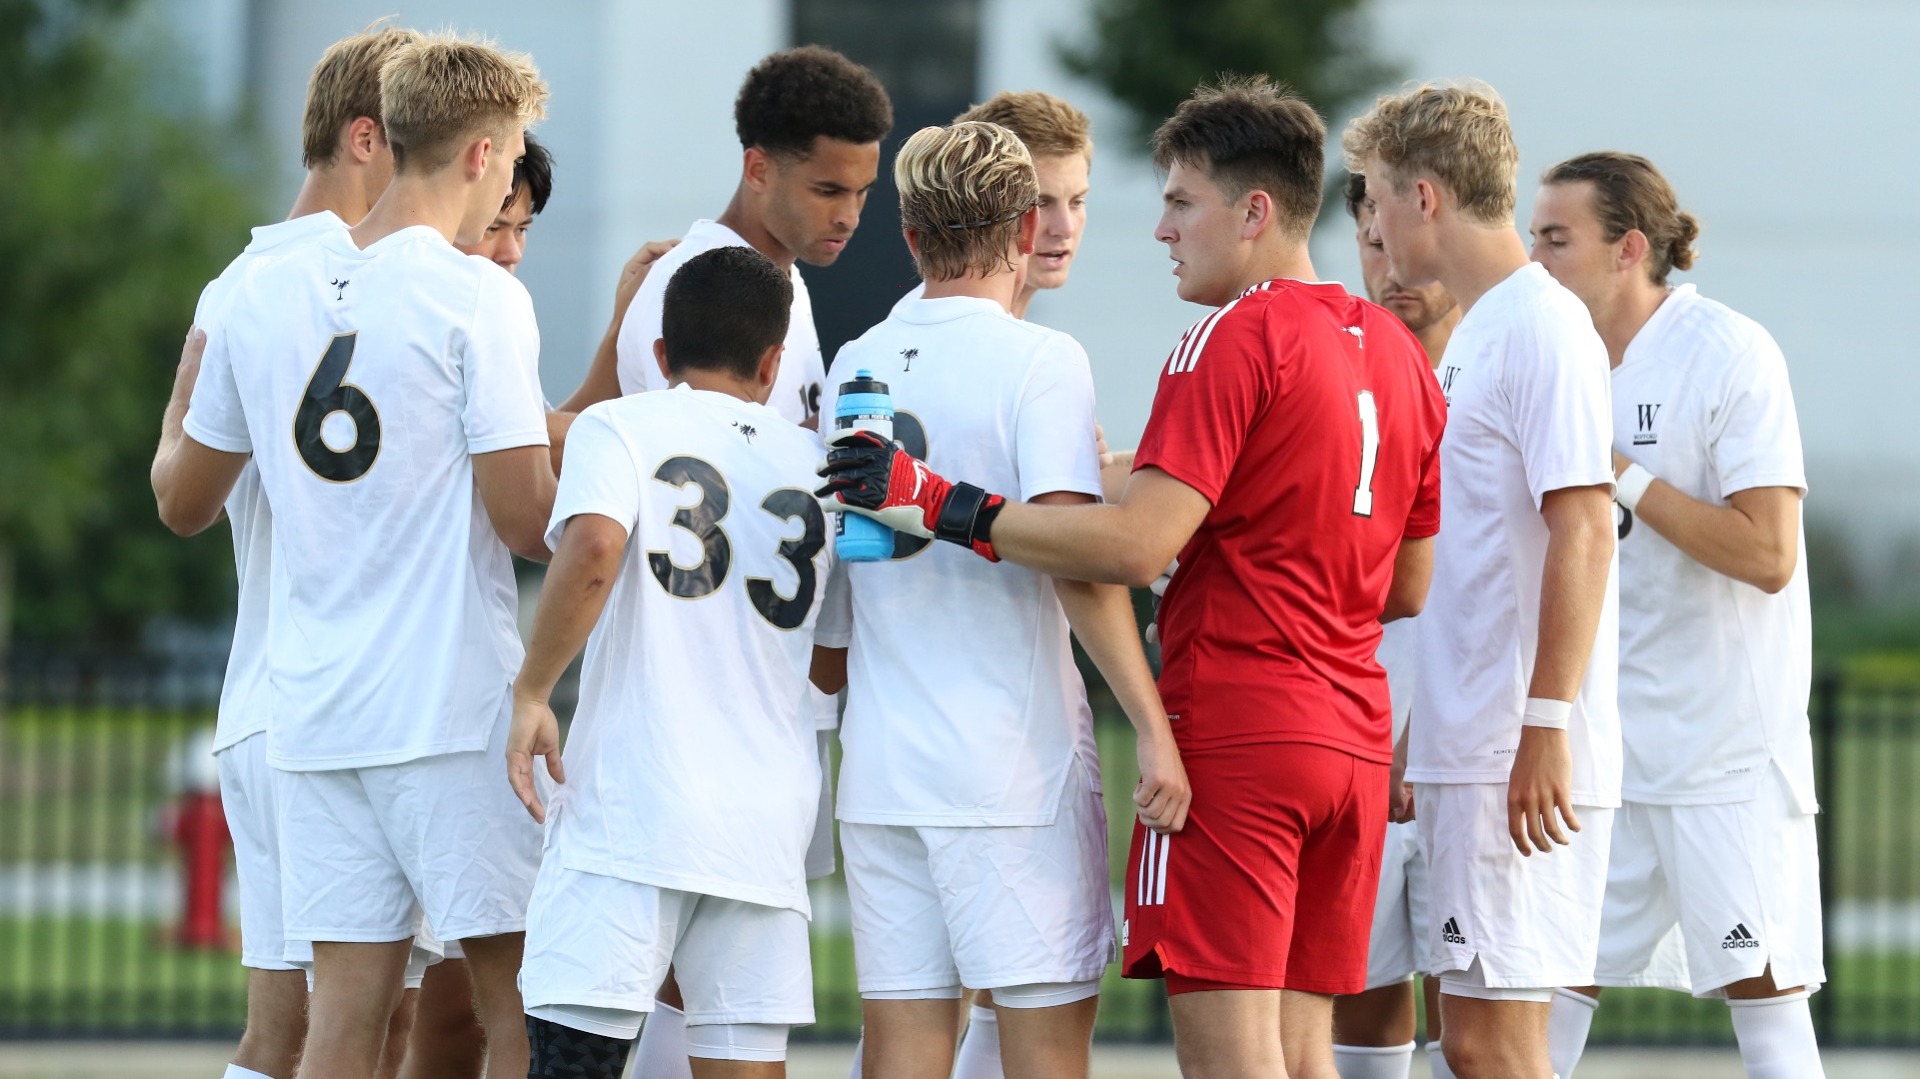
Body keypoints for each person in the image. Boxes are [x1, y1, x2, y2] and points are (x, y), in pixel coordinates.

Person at [818, 78, 1446, 1079]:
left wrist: (945, 502)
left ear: (1254, 212)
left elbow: (1131, 549)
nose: (1159, 229)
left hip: (1237, 731)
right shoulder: (1398, 351)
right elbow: (1407, 583)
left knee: (1231, 1063)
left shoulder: (1225, 333)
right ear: (1020, 229)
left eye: (1182, 202)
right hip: (1351, 732)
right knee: (1300, 1053)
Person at [150, 32, 554, 1079]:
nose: (508, 184)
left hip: (318, 712)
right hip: (447, 707)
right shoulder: (479, 297)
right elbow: (523, 521)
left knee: (341, 1027)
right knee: (521, 1014)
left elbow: (187, 492)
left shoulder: (258, 293)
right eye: (510, 162)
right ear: (477, 153)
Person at [818, 119, 1182, 1079]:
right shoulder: (1040, 359)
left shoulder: (852, 359)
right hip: (1008, 771)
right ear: (1025, 230)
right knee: (1046, 1056)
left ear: (907, 234)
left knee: (899, 1053)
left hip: (885, 768)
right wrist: (1151, 720)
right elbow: (1074, 559)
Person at [147, 25, 436, 1079]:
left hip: (268, 697)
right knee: (355, 1033)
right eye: (423, 149)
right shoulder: (399, 281)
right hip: (357, 710)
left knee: (306, 1035)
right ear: (369, 141)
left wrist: (174, 423)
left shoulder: (240, 286)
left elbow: (183, 500)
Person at [508, 246, 847, 1079]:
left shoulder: (622, 423)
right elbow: (831, 666)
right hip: (765, 818)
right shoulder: (817, 467)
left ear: (659, 355)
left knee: (574, 1058)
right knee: (741, 1058)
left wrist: (531, 688)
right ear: (774, 364)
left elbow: (591, 546)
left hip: (636, 803)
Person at [1341, 82, 1620, 1079]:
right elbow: (1476, 559)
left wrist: (1546, 721)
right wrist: (1422, 729)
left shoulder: (1542, 327)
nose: (1368, 223)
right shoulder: (1486, 333)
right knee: (1470, 1040)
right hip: (1466, 744)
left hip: (1515, 748)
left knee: (1495, 1043)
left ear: (1424, 197)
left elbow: (1585, 526)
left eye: (1373, 199)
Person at [1529, 152, 1825, 1079]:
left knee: (1764, 997)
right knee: (1542, 983)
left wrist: (1620, 470)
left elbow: (1767, 553)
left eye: (1556, 238)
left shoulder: (1730, 352)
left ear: (1628, 249)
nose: (1534, 258)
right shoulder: (1553, 357)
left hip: (1721, 754)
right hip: (1602, 749)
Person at [561, 44, 893, 427]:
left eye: (863, 191)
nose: (849, 217)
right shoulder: (688, 282)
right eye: (828, 191)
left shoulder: (787, 280)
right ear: (757, 170)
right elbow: (700, 456)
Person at [1330, 173, 1458, 1079]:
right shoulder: (1344, 364)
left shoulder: (1502, 363)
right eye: (1368, 245)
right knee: (1364, 983)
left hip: (1465, 739)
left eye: (1396, 240)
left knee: (1480, 1013)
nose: (1388, 267)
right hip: (1359, 716)